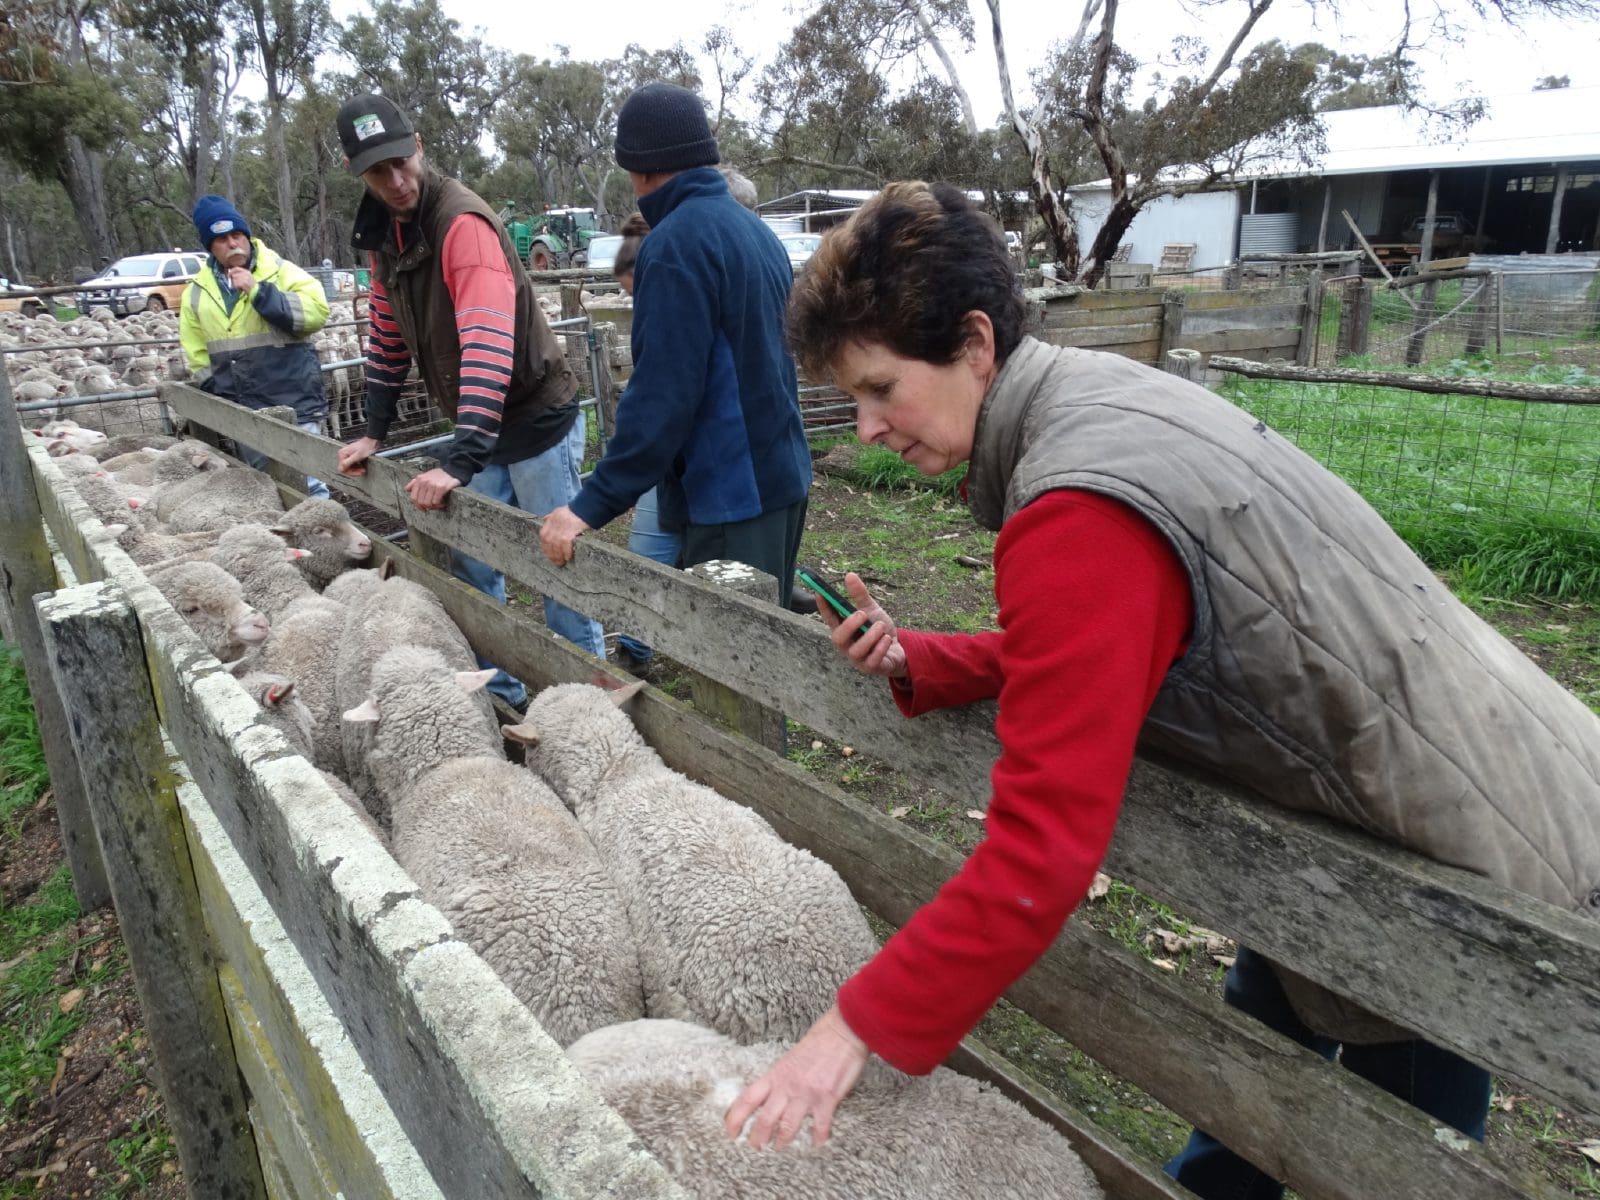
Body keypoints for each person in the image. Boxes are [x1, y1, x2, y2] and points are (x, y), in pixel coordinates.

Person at [721, 182, 1600, 1194]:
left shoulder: (1077, 506)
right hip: (1405, 771)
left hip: (1451, 840)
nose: (866, 428)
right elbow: (1121, 644)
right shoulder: (1093, 401)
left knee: (1400, 1147)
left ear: (971, 343)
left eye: (879, 388)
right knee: (1265, 1069)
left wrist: (852, 1025)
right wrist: (932, 660)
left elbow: (1039, 852)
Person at [331, 94, 605, 707]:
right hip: (482, 429)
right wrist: (374, 429)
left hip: (534, 419)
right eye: (379, 171)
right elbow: (387, 333)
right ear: (360, 174)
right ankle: (502, 696)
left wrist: (460, 459)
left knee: (557, 565)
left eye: (402, 161)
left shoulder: (462, 225)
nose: (396, 180)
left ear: (419, 146)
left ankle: (590, 709)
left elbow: (487, 343)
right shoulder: (381, 237)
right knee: (474, 564)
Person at [539, 82, 811, 611]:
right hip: (782, 476)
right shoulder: (756, 233)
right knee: (772, 634)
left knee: (735, 662)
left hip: (730, 493)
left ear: (637, 168)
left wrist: (590, 504)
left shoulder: (673, 245)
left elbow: (663, 392)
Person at [179, 194, 331, 499]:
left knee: (310, 488)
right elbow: (196, 354)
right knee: (265, 487)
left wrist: (258, 291)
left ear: (247, 237)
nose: (232, 243)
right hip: (244, 410)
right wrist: (220, 394)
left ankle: (325, 548)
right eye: (221, 239)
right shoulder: (196, 292)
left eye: (236, 235)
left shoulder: (282, 271)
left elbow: (315, 314)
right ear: (210, 246)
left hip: (293, 401)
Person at [607, 213, 681, 669]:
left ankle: (787, 587)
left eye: (637, 290)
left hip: (692, 460)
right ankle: (636, 651)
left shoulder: (679, 310)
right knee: (646, 555)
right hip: (664, 462)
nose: (637, 302)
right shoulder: (654, 315)